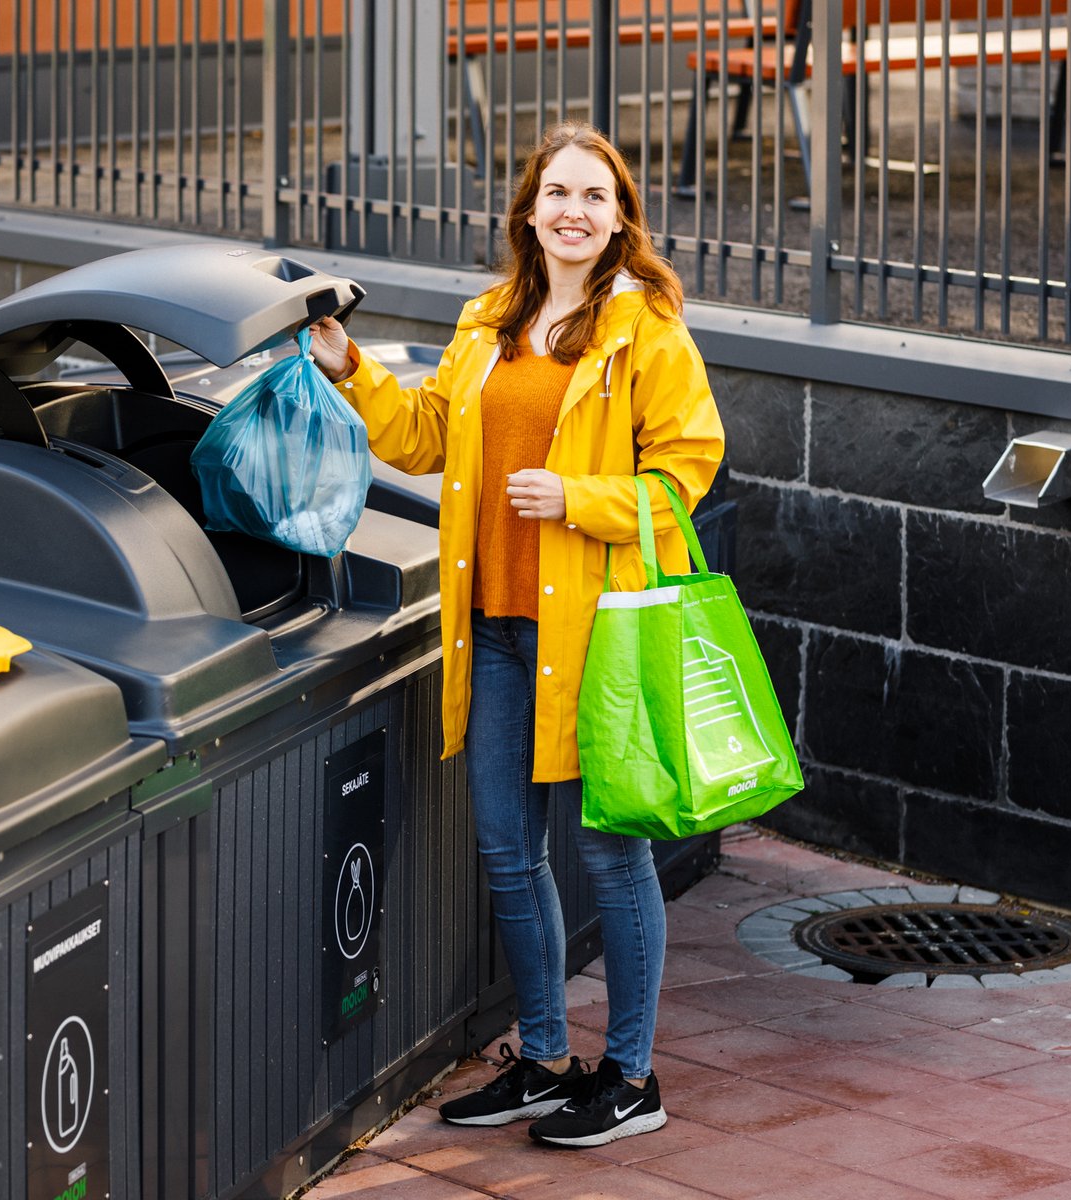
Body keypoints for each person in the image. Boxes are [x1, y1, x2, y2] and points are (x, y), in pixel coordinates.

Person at [307, 121, 724, 1150]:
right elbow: (420, 434)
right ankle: (542, 1057)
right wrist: (347, 365)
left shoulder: (646, 333)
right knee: (506, 847)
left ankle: (630, 1076)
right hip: (494, 630)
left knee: (611, 855)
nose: (574, 212)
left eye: (596, 196)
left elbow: (687, 476)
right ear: (528, 210)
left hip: (594, 637)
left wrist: (579, 499)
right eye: (558, 194)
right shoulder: (490, 317)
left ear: (620, 218)